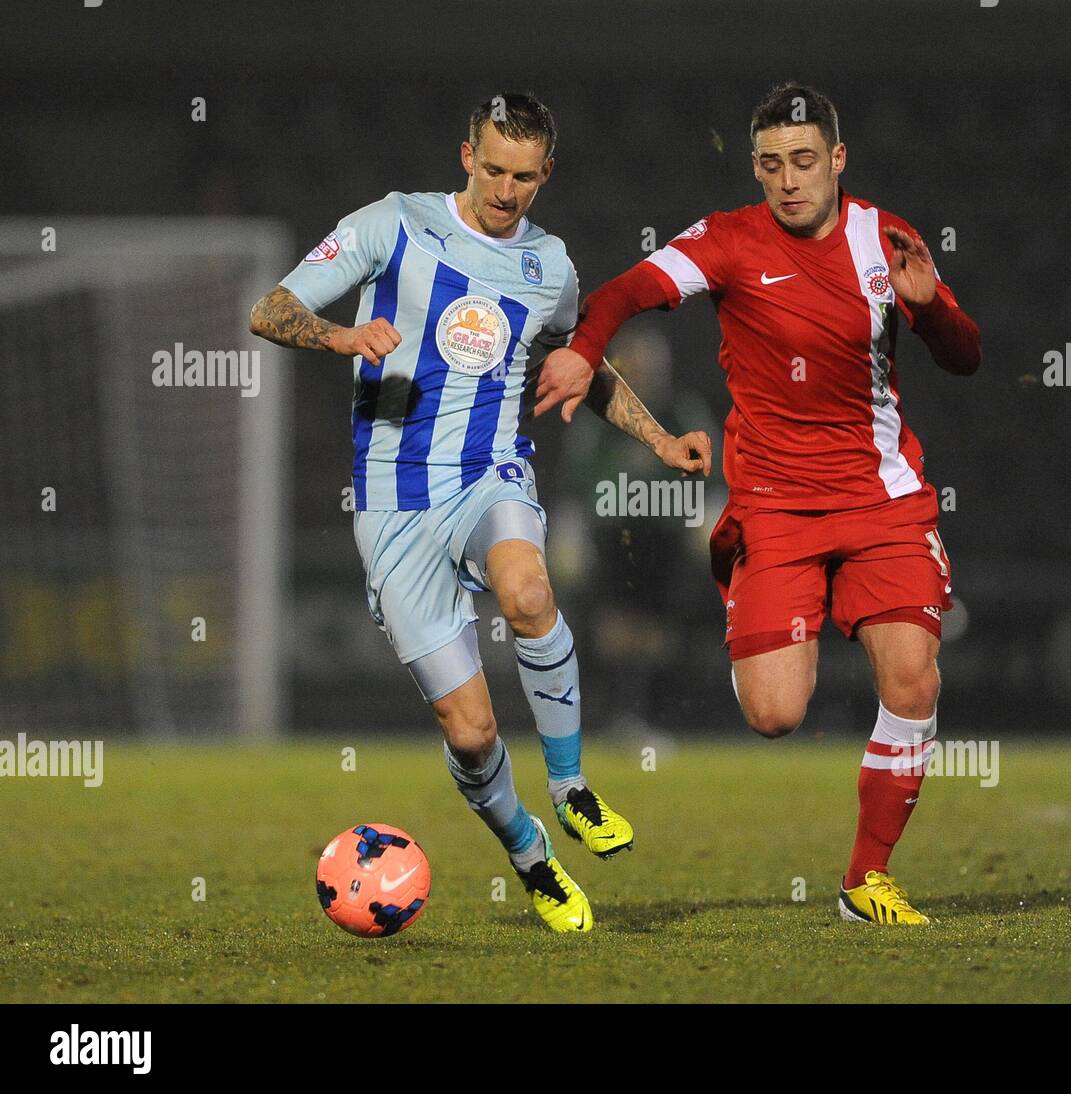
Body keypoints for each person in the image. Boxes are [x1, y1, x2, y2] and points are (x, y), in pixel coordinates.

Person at [250, 93, 708, 933]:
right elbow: (270, 309)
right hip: (392, 500)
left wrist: (659, 437)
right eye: (493, 170)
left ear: (546, 175)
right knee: (470, 730)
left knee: (530, 592)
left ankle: (571, 788)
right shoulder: (395, 224)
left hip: (487, 474)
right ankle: (533, 857)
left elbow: (583, 368)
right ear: (467, 156)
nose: (505, 191)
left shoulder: (550, 267)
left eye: (524, 178)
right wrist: (340, 338)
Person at [536, 81, 982, 926]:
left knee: (914, 679)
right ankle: (748, 577)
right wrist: (584, 354)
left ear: (838, 161)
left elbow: (966, 356)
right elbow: (625, 291)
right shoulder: (729, 240)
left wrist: (931, 315)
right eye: (772, 164)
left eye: (806, 161)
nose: (789, 180)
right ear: (754, 167)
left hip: (883, 500)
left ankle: (866, 882)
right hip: (775, 505)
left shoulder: (887, 241)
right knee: (776, 713)